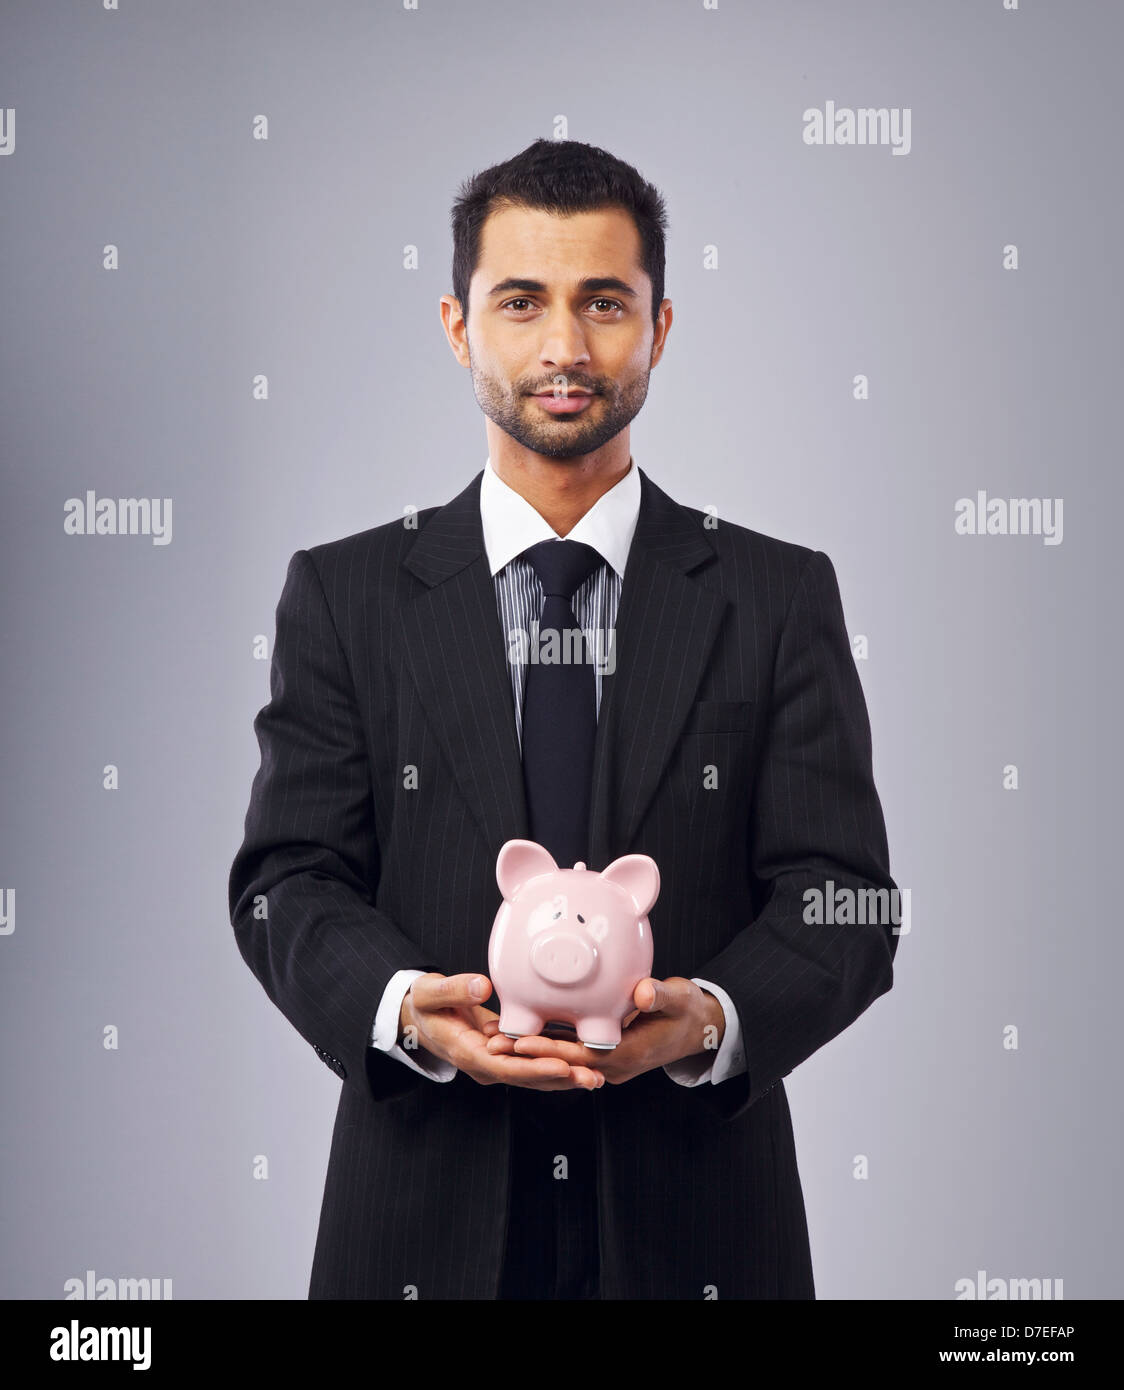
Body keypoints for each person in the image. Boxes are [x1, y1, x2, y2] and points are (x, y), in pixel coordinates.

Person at [228, 138, 899, 1300]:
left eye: (603, 302)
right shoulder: (345, 596)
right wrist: (405, 1009)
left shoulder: (776, 595)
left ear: (660, 326)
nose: (562, 348)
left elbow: (845, 903)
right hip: (418, 1226)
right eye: (520, 301)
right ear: (455, 325)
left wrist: (708, 1022)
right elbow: (287, 878)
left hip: (698, 1228)